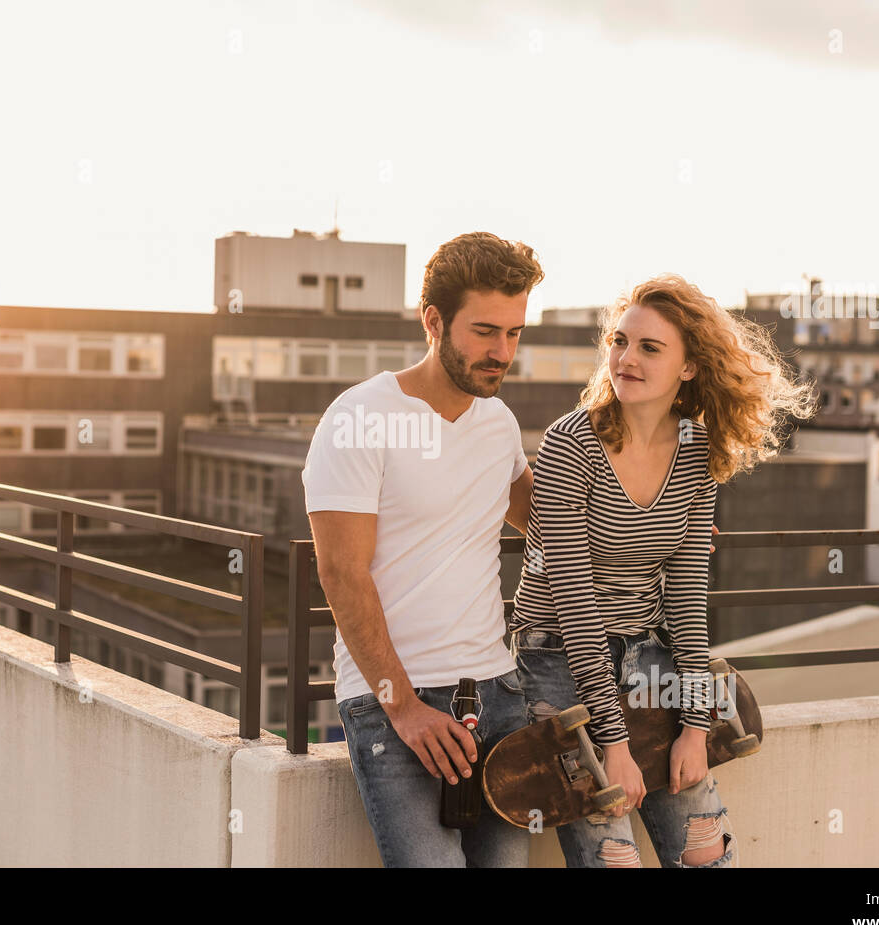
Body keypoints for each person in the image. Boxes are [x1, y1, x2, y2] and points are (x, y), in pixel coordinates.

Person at [509, 274, 817, 868]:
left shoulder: (696, 450)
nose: (626, 358)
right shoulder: (570, 446)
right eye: (620, 341)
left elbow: (687, 604)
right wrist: (615, 744)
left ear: (689, 368)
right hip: (559, 662)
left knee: (707, 852)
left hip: (651, 660)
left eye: (650, 348)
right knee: (613, 858)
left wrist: (696, 728)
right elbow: (573, 606)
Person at [302, 231, 543, 867]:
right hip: (396, 706)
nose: (502, 352)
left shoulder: (498, 422)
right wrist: (402, 707)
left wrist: (660, 522)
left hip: (498, 695)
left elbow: (548, 519)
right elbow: (340, 572)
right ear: (432, 320)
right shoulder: (359, 417)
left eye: (515, 333)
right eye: (485, 331)